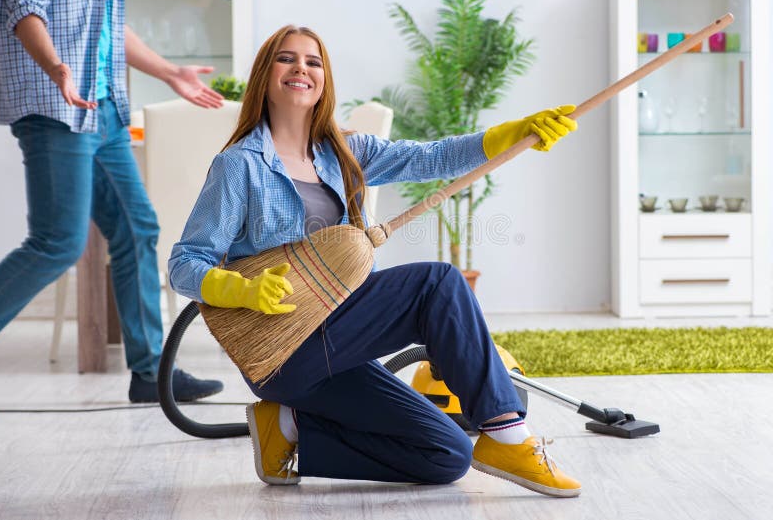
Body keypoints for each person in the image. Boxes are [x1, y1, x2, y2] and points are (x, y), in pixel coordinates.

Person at [167, 25, 581, 496]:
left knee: (448, 454)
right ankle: (510, 435)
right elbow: (186, 260)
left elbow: (431, 158)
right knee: (437, 284)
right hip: (283, 352)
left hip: (336, 346)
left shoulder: (344, 152)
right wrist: (236, 289)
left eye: (314, 61)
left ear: (325, 80)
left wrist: (510, 136)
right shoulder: (240, 165)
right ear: (265, 75)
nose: (301, 68)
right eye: (287, 59)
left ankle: (290, 427)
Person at [0, 0, 225, 416]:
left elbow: (105, 20)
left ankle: (151, 372)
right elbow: (27, 8)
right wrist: (54, 66)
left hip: (103, 103)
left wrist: (170, 71)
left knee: (137, 227)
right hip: (54, 105)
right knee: (56, 242)